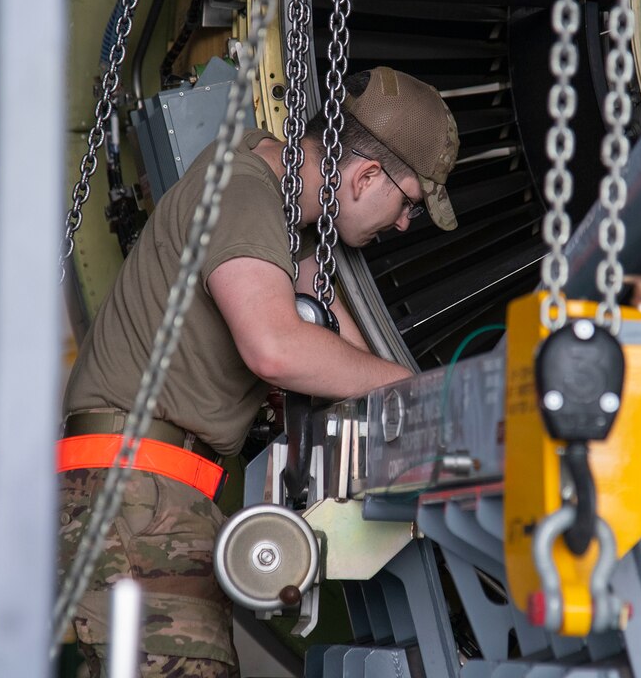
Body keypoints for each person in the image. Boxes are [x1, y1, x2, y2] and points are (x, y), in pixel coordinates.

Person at [57, 66, 460, 677]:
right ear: (366, 175)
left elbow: (325, 324)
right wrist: (410, 393)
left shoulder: (262, 193)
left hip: (148, 495)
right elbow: (276, 346)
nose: (404, 224)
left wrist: (423, 403)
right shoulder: (245, 191)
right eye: (407, 204)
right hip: (137, 501)